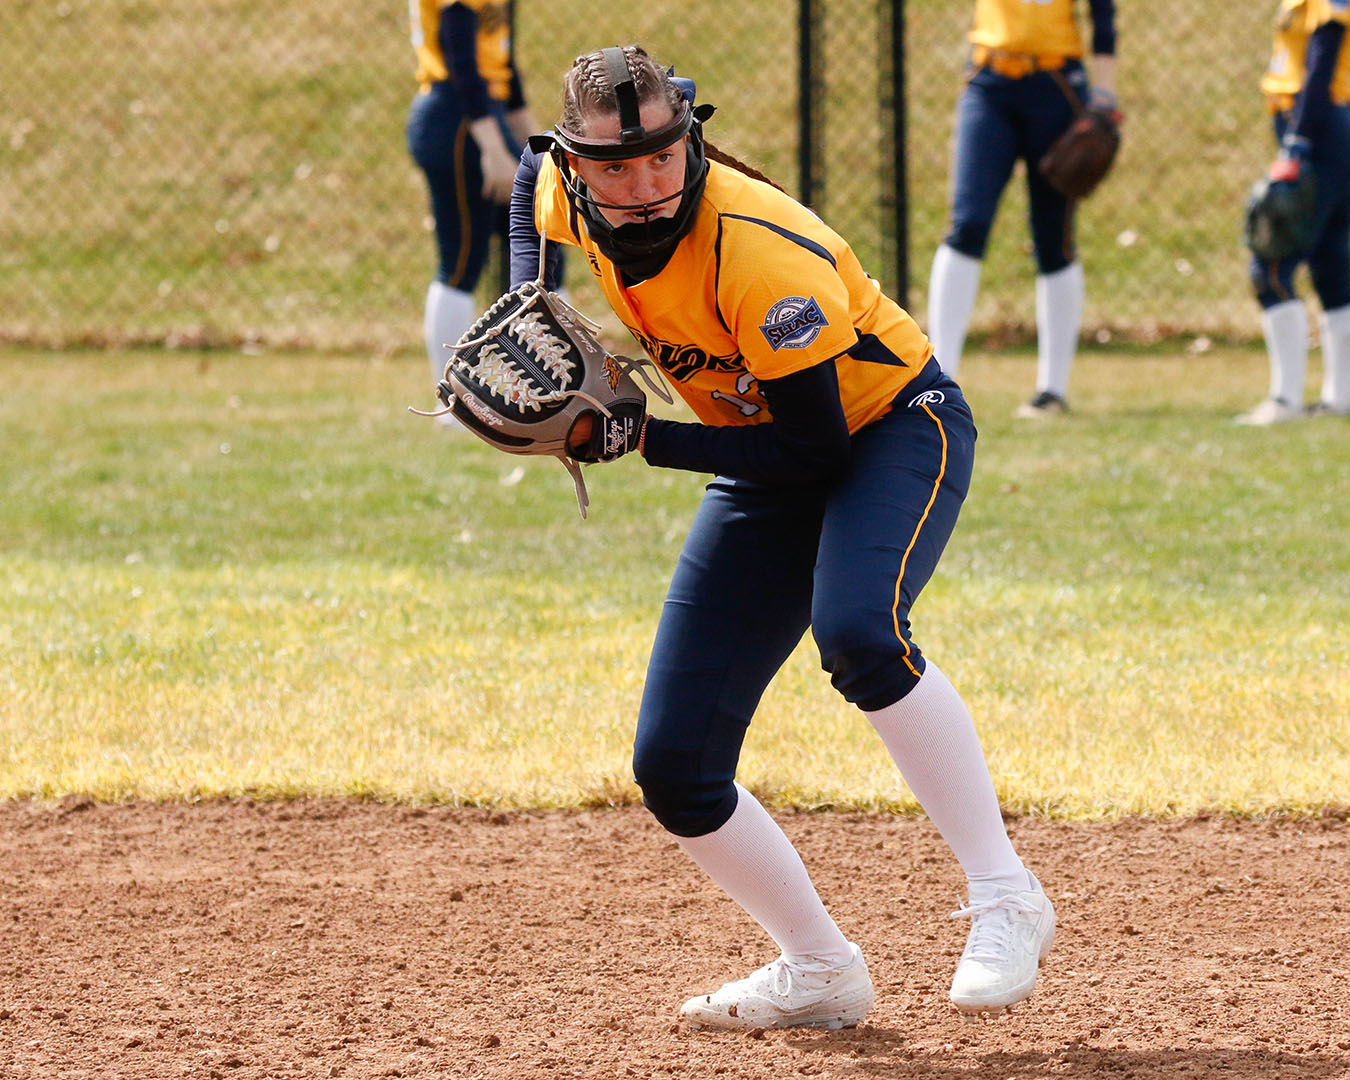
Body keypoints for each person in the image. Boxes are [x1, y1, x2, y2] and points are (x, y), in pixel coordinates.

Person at [503, 45, 1056, 1030]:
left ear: (693, 142)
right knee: (675, 768)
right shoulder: (566, 186)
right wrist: (525, 295)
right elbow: (523, 187)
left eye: (665, 159)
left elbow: (810, 448)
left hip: (891, 427)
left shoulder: (759, 252)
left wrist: (637, 437)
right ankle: (819, 968)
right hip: (768, 450)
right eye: (615, 168)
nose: (643, 187)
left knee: (859, 633)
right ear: (577, 165)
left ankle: (1007, 893)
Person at [925, 0, 1120, 419]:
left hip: (1056, 83)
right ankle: (937, 381)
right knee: (967, 226)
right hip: (989, 77)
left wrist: (1104, 91)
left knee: (1053, 238)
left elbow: (1102, 13)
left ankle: (1052, 389)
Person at [1237, 0, 1350, 425]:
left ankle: (1284, 401)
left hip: (1320, 133)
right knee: (1330, 265)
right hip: (1339, 128)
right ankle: (1337, 400)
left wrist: (1298, 142)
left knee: (1270, 265)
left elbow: (1322, 58)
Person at [407, 0, 559, 401]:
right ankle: (453, 399)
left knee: (540, 244)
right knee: (462, 261)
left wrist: (537, 147)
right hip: (457, 119)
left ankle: (543, 386)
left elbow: (504, 69)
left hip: (483, 113)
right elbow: (462, 65)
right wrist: (493, 149)